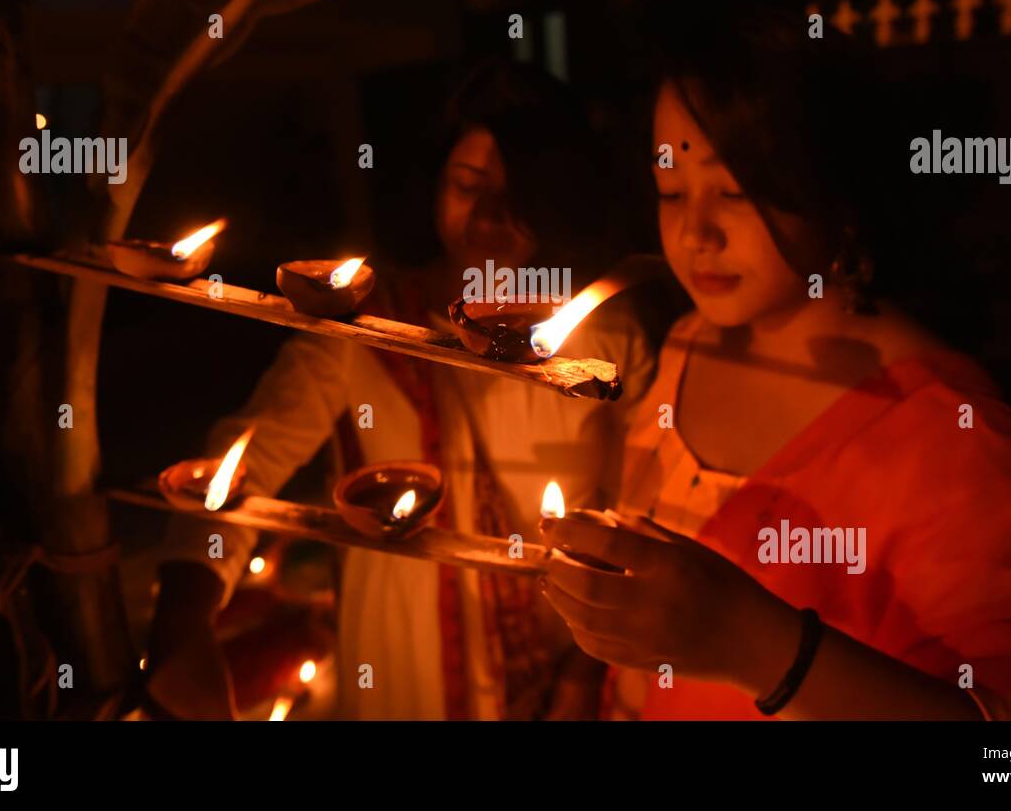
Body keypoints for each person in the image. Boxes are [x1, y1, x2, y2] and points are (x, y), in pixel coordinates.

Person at [537, 11, 1011, 720]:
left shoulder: (950, 436)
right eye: (671, 191)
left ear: (838, 189)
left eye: (735, 191)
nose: (694, 230)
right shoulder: (686, 343)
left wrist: (758, 646)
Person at [145, 58, 656, 720]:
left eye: (518, 193)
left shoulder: (606, 341)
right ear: (434, 184)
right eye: (466, 184)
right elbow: (246, 455)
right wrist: (182, 622)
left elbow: (646, 509)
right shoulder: (372, 327)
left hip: (563, 692)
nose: (488, 215)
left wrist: (586, 677)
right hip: (399, 682)